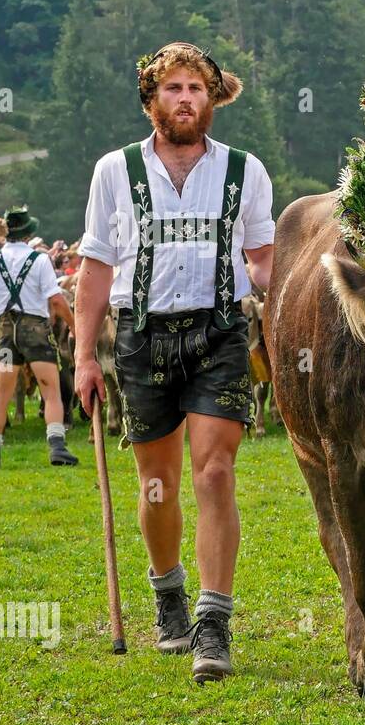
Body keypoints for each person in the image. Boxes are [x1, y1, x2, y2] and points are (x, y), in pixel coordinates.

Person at [74, 41, 275, 684]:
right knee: (156, 485)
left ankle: (213, 623)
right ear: (151, 99)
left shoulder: (246, 171)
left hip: (220, 333)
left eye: (196, 88)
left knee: (215, 472)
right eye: (173, 89)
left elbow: (265, 263)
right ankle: (169, 595)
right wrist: (83, 355)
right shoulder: (115, 170)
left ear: (213, 98)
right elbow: (97, 267)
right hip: (142, 336)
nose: (185, 99)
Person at [0, 208, 78, 468]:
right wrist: (75, 325)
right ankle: (57, 448)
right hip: (35, 332)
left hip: (6, 332)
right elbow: (56, 300)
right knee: (51, 391)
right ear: (29, 233)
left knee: (2, 394)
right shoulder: (39, 260)